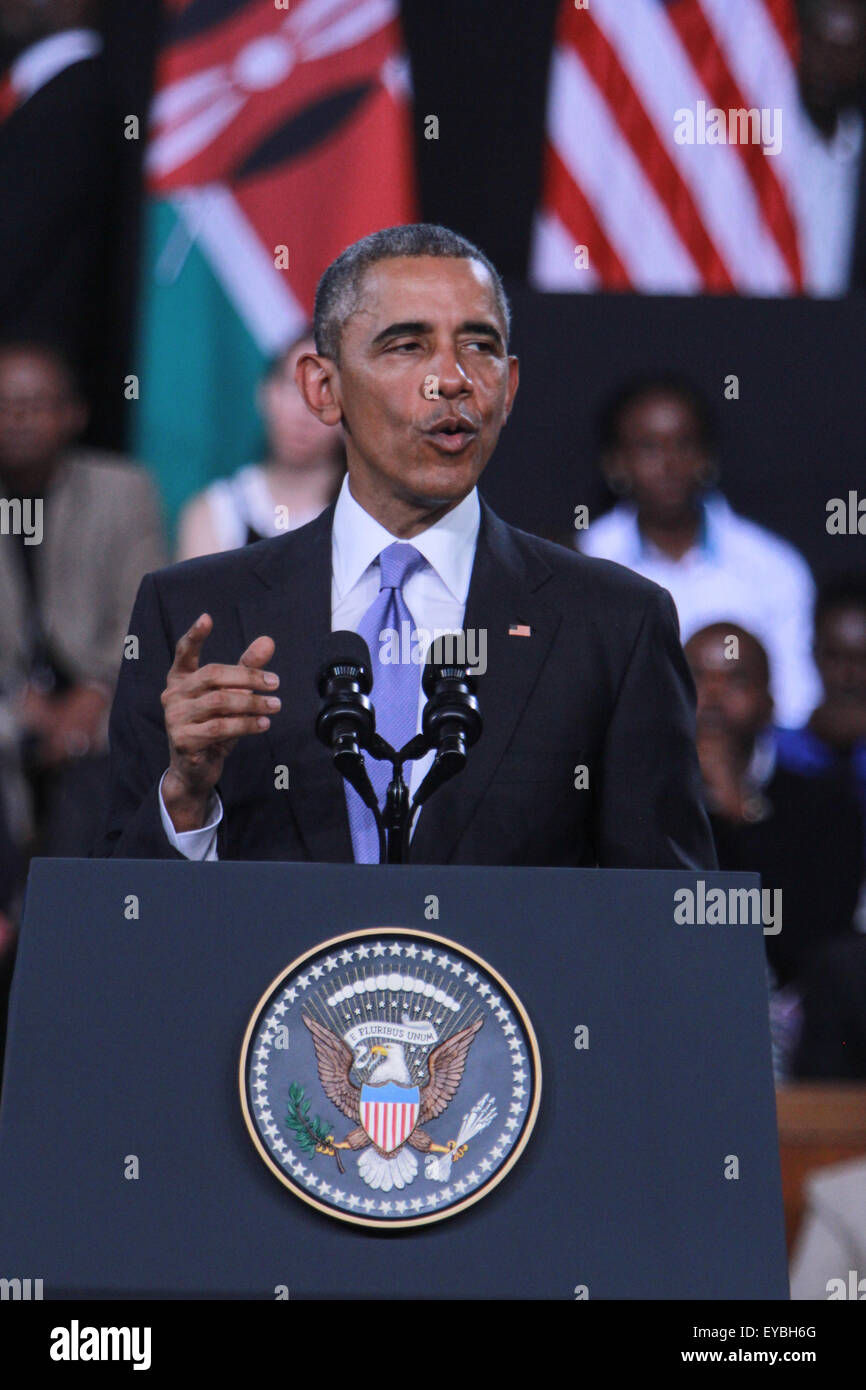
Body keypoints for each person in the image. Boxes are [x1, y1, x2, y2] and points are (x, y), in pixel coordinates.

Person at [100, 223, 716, 870]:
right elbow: (121, 922)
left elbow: (665, 923)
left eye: (478, 346)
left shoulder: (616, 626)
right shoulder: (194, 615)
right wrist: (185, 801)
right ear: (322, 388)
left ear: (507, 388)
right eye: (407, 346)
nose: (450, 381)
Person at [0, 341, 167, 856]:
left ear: (75, 413)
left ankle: (67, 924)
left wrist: (93, 694)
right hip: (7, 701)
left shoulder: (123, 490)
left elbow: (145, 612)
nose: (20, 419)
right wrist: (19, 703)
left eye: (36, 404)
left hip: (104, 695)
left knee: (109, 755)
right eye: (6, 405)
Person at [578, 374, 821, 728]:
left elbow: (794, 707)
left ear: (708, 456)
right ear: (615, 463)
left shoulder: (773, 566)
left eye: (685, 444)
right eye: (649, 447)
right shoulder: (585, 561)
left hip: (753, 776)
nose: (669, 464)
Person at [684, 622, 862, 995]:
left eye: (735, 680)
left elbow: (808, 944)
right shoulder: (640, 797)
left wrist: (740, 813)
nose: (714, 697)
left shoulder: (823, 802)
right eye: (698, 678)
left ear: (769, 702)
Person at [175, 331, 345, 560]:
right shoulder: (215, 513)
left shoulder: (365, 517)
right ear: (266, 392)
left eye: (326, 393)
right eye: (295, 388)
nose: (304, 412)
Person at [776, 573, 866, 868]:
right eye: (835, 657)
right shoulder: (776, 748)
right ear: (814, 654)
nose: (849, 676)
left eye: (863, 658)